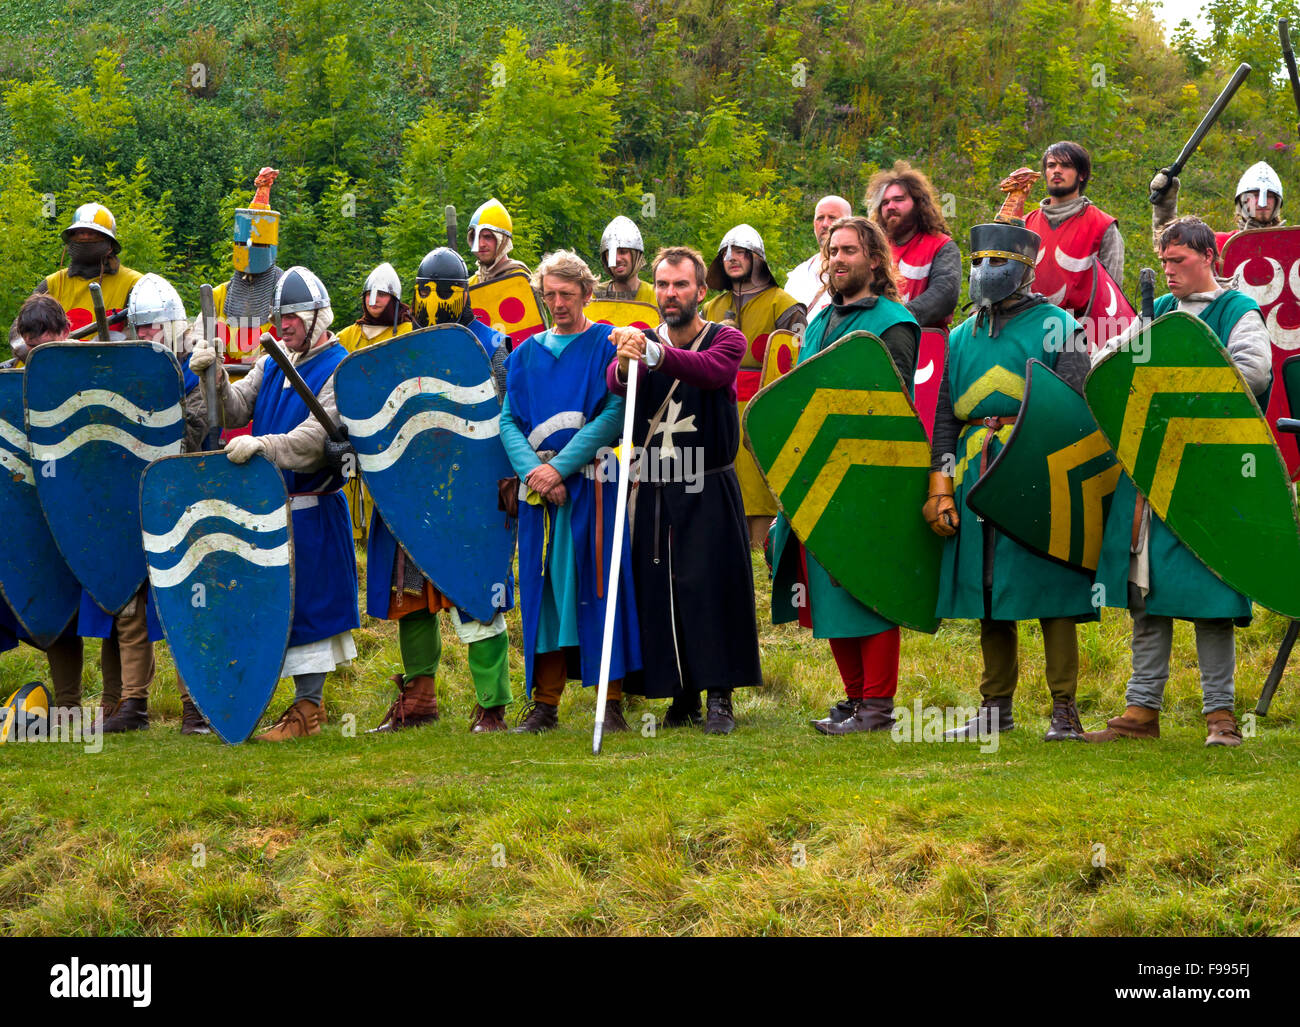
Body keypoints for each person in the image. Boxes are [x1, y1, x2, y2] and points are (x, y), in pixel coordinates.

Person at [1086, 216, 1271, 748]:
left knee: (1210, 598)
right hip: (1153, 473)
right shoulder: (1157, 314)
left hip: (1209, 475)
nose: (1168, 271)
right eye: (1164, 261)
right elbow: (1105, 360)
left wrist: (1179, 385)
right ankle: (1141, 710)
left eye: (1179, 260)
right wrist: (1138, 352)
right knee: (1146, 594)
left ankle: (1221, 717)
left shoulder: (1239, 311)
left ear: (1209, 256)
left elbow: (1253, 374)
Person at [925, 172, 1096, 742]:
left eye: (997, 261)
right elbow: (947, 417)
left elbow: (1075, 410)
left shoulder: (1060, 326)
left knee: (1051, 592)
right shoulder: (958, 337)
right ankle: (994, 707)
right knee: (990, 591)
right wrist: (941, 484)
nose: (984, 273)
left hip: (1040, 470)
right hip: (976, 469)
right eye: (978, 261)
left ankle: (1064, 709)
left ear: (1024, 267)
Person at [190, 266, 359, 741]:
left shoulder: (339, 367)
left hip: (312, 508)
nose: (283, 325)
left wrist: (263, 447)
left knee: (311, 610)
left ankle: (307, 711)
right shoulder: (273, 358)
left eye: (293, 317)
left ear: (318, 316)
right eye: (278, 317)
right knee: (269, 609)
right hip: (268, 510)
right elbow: (233, 408)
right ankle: (274, 707)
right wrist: (215, 376)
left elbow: (313, 439)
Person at [770, 217, 921, 734]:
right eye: (832, 250)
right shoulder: (817, 322)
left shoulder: (894, 322)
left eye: (850, 250)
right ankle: (855, 700)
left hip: (871, 475)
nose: (838, 259)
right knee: (829, 587)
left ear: (874, 260)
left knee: (867, 587)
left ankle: (878, 706)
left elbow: (895, 403)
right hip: (818, 472)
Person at [606, 245, 762, 734]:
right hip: (654, 484)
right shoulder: (644, 342)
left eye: (681, 285)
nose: (671, 294)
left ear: (700, 290)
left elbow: (712, 372)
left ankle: (720, 698)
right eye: (664, 285)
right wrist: (627, 362)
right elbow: (615, 385)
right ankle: (681, 695)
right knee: (663, 590)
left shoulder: (726, 339)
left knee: (712, 588)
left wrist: (654, 354)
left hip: (708, 482)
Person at [362, 247, 515, 734]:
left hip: (471, 490)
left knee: (477, 591)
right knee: (411, 594)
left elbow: (504, 416)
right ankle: (419, 698)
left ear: (464, 292)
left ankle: (491, 704)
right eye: (425, 291)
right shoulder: (402, 346)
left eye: (444, 291)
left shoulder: (491, 345)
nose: (434, 300)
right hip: (417, 488)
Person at [499, 250, 641, 733]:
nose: (558, 303)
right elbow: (508, 420)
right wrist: (534, 472)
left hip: (595, 486)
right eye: (550, 294)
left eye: (567, 293)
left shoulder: (607, 343)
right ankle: (545, 705)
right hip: (540, 496)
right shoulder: (524, 354)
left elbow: (616, 411)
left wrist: (560, 467)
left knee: (602, 586)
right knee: (548, 592)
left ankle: (611, 700)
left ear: (586, 292)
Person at [93, 274, 213, 734]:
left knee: (183, 601)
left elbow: (195, 429)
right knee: (129, 603)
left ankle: (194, 706)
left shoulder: (193, 369)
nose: (144, 335)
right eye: (138, 328)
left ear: (173, 324)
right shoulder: (128, 371)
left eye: (152, 326)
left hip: (183, 495)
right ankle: (133, 702)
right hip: (133, 498)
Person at [701, 224, 807, 548]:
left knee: (760, 490)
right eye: (727, 253)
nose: (732, 258)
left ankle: (764, 549)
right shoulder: (711, 308)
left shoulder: (785, 304)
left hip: (763, 410)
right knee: (720, 482)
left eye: (741, 252)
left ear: (757, 258)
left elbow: (796, 364)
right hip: (718, 408)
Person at [337, 262, 414, 541]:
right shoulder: (347, 336)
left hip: (392, 424)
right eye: (370, 293)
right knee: (349, 473)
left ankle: (379, 534)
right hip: (352, 422)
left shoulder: (409, 333)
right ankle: (353, 533)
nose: (374, 300)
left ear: (393, 298)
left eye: (381, 294)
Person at [1024, 141, 1124, 315]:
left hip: (1080, 333)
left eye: (1066, 165)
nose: (1057, 170)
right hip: (1027, 327)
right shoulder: (1025, 224)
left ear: (1081, 174)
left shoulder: (1103, 226)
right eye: (1051, 165)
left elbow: (1112, 296)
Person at [866, 161, 961, 329]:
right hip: (878, 339)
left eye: (899, 200)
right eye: (885, 203)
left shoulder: (941, 246)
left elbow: (944, 294)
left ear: (918, 203)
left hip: (925, 342)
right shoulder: (875, 249)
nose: (891, 207)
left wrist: (897, 319)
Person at [211, 167, 284, 367]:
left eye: (259, 245)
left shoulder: (286, 294)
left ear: (271, 246)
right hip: (225, 388)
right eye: (243, 244)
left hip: (269, 388)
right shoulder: (218, 296)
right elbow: (200, 339)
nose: (250, 250)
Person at [33, 202, 141, 337]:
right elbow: (26, 327)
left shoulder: (134, 284)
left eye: (93, 234)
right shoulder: (52, 284)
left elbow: (143, 333)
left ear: (109, 245)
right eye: (80, 233)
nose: (85, 237)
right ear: (71, 239)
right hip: (60, 357)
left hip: (111, 357)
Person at [1150, 160, 1284, 256]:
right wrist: (1165, 207)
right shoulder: (1222, 243)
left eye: (1270, 196)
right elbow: (1171, 248)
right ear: (1242, 201)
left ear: (1277, 202)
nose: (1262, 202)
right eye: (1254, 195)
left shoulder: (1292, 244)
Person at [785, 196, 853, 320]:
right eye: (820, 218)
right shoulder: (797, 277)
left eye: (832, 218)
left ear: (850, 223)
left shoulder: (859, 272)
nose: (825, 224)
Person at [592, 216, 656, 303]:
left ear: (635, 255)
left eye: (623, 252)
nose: (617, 259)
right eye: (611, 254)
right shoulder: (593, 297)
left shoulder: (655, 296)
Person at [466, 198, 530, 286]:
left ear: (502, 240)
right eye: (475, 238)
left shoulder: (519, 280)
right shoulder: (470, 285)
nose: (481, 244)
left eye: (488, 237)